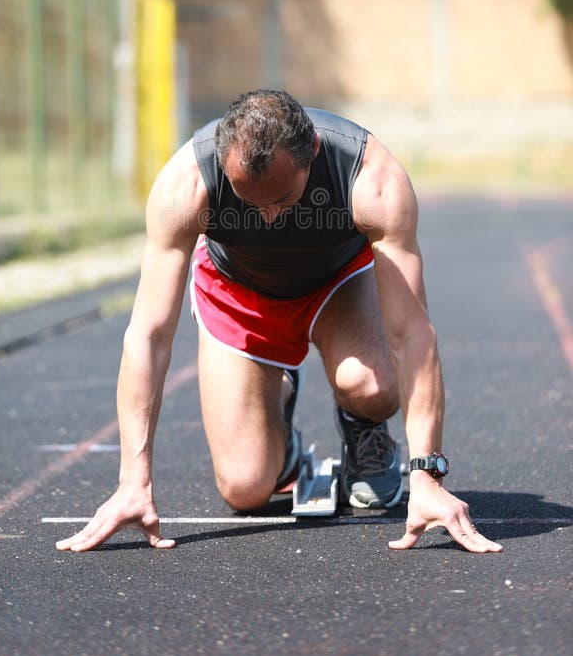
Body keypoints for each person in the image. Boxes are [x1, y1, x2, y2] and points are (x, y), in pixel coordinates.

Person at [56, 90, 502, 554]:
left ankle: (364, 428)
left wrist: (427, 477)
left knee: (371, 386)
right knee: (244, 488)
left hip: (339, 283)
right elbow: (149, 336)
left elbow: (412, 335)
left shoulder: (371, 179)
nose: (268, 217)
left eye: (284, 197)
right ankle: (281, 427)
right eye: (250, 201)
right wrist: (133, 480)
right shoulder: (185, 186)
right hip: (238, 292)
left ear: (312, 152)